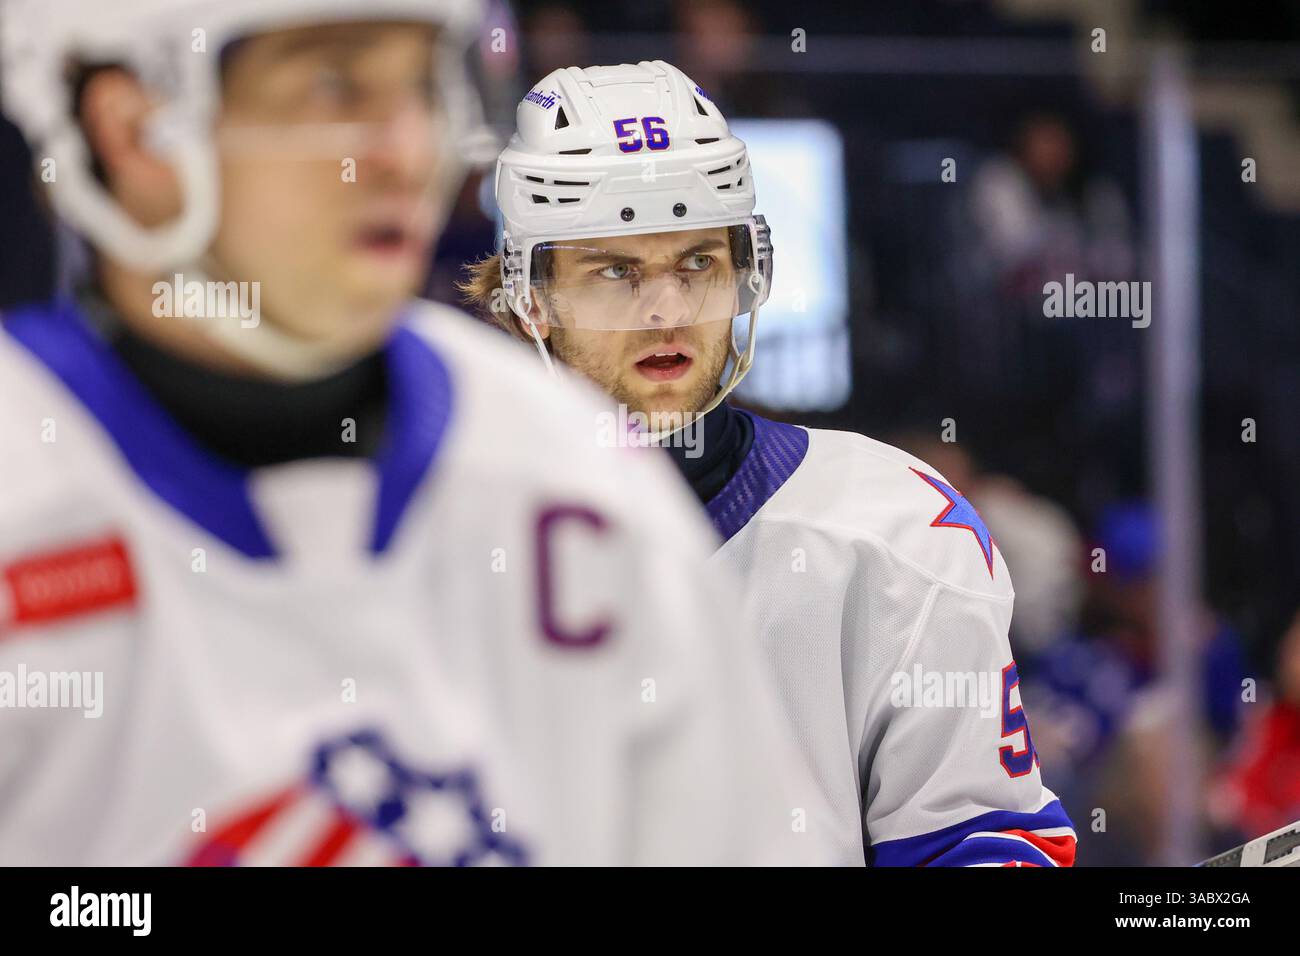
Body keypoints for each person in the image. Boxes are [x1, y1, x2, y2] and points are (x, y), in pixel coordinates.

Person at [0, 1, 807, 866]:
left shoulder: (577, 478)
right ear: (135, 130)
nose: (409, 149)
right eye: (334, 84)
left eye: (423, 84)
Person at [463, 60, 1077, 866]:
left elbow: (981, 846)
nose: (667, 309)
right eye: (616, 270)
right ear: (530, 297)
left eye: (697, 263)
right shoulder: (431, 535)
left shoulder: (895, 533)